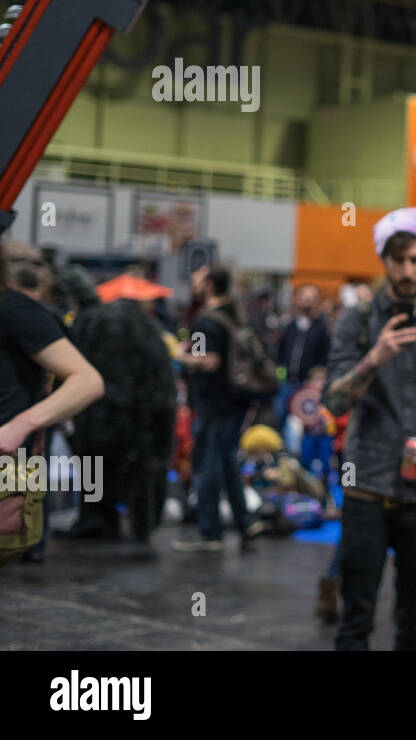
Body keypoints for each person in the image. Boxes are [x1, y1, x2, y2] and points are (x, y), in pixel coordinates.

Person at [323, 207, 416, 651]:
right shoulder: (358, 321)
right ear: (384, 261)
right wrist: (375, 357)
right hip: (366, 484)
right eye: (398, 260)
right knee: (356, 617)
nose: (406, 270)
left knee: (413, 619)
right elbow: (333, 400)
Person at [0, 241, 105, 565]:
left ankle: (37, 547)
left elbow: (88, 380)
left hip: (11, 462)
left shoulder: (16, 310)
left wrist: (22, 424)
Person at [62, 291, 176, 548]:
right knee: (141, 468)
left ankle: (96, 519)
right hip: (138, 412)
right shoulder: (148, 328)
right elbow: (162, 381)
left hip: (96, 407)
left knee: (92, 463)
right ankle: (143, 522)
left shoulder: (90, 321)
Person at [172, 267, 261, 552]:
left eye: (197, 281)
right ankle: (245, 521)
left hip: (214, 404)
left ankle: (210, 532)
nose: (193, 285)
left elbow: (208, 360)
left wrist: (181, 354)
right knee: (227, 461)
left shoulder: (206, 321)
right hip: (236, 400)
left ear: (209, 285)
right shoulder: (234, 314)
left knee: (208, 465)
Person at [277, 284, 330, 427]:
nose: (307, 300)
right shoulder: (289, 326)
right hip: (286, 382)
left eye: (311, 297)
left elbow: (324, 357)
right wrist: (280, 374)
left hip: (308, 386)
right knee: (281, 417)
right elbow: (280, 353)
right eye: (304, 296)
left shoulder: (322, 329)